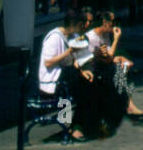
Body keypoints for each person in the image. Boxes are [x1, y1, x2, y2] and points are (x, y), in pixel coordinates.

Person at [38, 9, 100, 140]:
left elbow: (77, 59)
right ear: (73, 24)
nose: (82, 27)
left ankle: (77, 125)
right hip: (52, 80)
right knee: (84, 86)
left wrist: (84, 70)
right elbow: (48, 63)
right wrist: (69, 52)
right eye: (80, 24)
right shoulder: (54, 37)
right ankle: (75, 126)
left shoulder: (72, 36)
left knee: (90, 81)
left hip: (65, 76)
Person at [87, 10, 143, 118]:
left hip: (102, 64)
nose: (115, 25)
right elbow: (107, 58)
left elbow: (110, 55)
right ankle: (126, 105)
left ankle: (126, 104)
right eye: (113, 21)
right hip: (91, 69)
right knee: (120, 69)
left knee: (123, 66)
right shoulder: (93, 37)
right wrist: (116, 39)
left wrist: (119, 58)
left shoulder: (104, 35)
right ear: (105, 22)